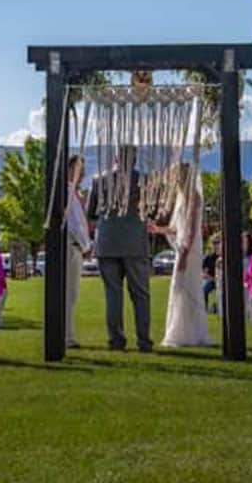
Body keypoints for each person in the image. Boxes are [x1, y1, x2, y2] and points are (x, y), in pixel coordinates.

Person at [88, 145, 153, 353]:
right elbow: (152, 210)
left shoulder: (99, 180)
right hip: (135, 244)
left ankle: (116, 340)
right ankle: (144, 341)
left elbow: (91, 213)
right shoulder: (144, 181)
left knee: (113, 294)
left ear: (116, 158)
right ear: (134, 159)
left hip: (108, 243)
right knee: (141, 295)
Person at [153, 163, 210, 347]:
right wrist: (158, 229)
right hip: (183, 246)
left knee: (186, 286)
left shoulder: (194, 197)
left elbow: (191, 228)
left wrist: (185, 252)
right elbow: (177, 228)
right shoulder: (181, 198)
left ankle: (189, 333)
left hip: (189, 248)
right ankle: (182, 331)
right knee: (180, 287)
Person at [63, 155, 91, 349]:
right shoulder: (67, 193)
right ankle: (67, 336)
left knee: (72, 294)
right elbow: (73, 225)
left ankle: (68, 334)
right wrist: (85, 245)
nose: (82, 174)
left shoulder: (74, 193)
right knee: (70, 293)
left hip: (77, 247)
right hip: (72, 247)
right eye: (78, 169)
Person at [202, 239, 219, 315]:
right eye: (214, 244)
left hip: (221, 281)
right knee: (204, 290)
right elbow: (203, 272)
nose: (216, 246)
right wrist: (211, 278)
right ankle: (205, 309)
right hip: (211, 280)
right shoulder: (208, 257)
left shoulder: (222, 256)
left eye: (217, 244)